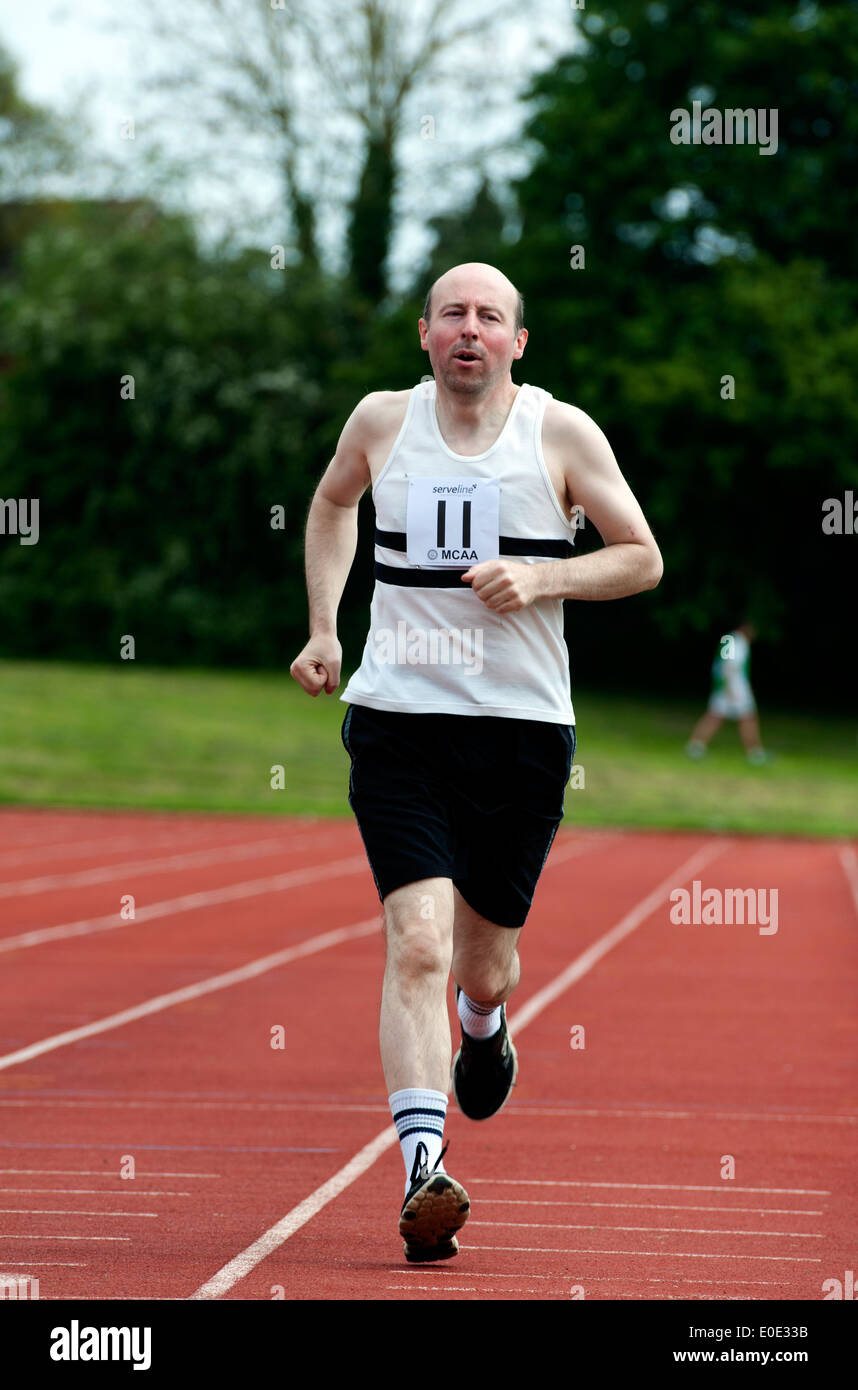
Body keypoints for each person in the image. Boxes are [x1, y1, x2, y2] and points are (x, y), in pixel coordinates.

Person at [290, 262, 663, 1262]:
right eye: (452, 313)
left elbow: (642, 557)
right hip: (399, 720)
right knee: (414, 940)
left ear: (517, 341)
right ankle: (424, 1168)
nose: (469, 329)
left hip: (521, 731)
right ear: (423, 334)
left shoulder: (561, 433)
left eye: (489, 316)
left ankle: (483, 1020)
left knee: (481, 959)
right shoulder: (380, 422)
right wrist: (326, 627)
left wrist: (543, 573)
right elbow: (332, 507)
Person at [686, 621, 769, 764]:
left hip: (727, 686)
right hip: (733, 687)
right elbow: (729, 665)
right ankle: (755, 753)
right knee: (747, 718)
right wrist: (730, 689)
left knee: (716, 716)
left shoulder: (730, 639)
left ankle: (696, 746)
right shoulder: (738, 641)